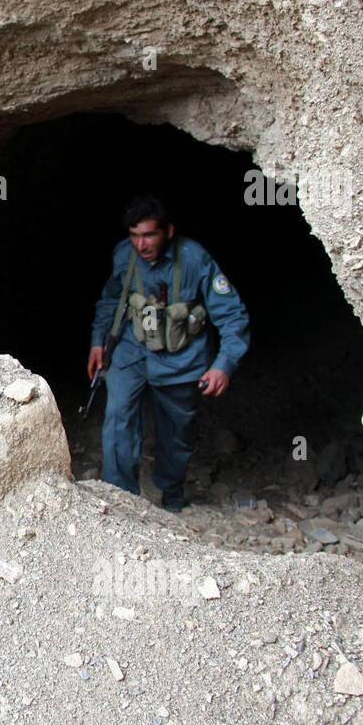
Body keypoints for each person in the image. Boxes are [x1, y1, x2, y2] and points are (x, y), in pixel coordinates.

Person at [87, 195, 250, 511]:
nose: (141, 244)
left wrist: (224, 364)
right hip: (131, 350)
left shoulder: (194, 259)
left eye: (149, 235)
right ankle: (121, 500)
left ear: (169, 232)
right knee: (118, 418)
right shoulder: (125, 255)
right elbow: (110, 300)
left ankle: (171, 495)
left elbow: (232, 314)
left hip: (182, 357)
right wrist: (98, 341)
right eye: (135, 235)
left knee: (175, 431)